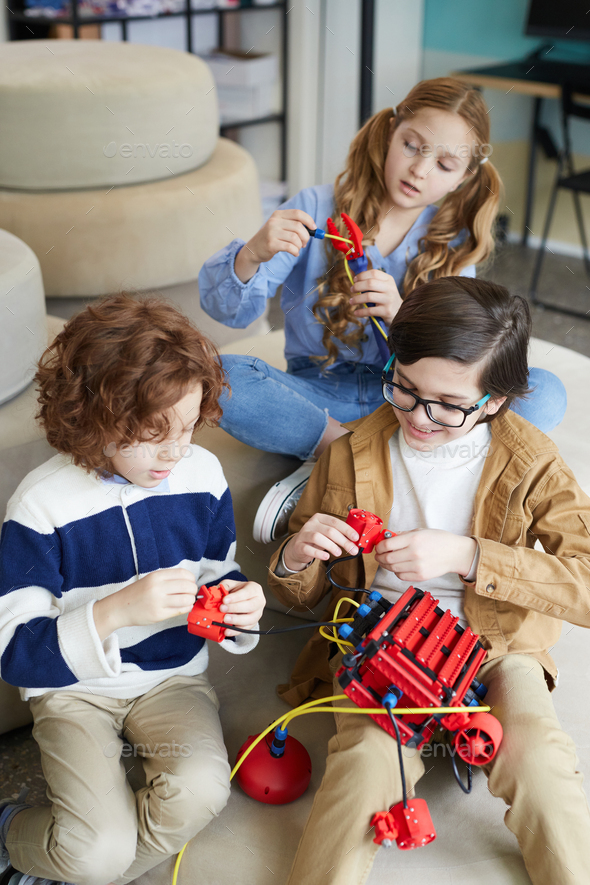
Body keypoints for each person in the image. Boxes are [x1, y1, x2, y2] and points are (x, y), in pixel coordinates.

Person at [266, 276, 590, 885]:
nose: (418, 416)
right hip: (382, 641)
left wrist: (470, 556)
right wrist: (296, 556)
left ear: (494, 400)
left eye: (447, 404)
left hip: (495, 646)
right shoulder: (354, 450)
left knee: (540, 763)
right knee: (364, 766)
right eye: (405, 389)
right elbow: (300, 589)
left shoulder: (532, 460)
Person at [198, 77, 567, 543]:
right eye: (411, 145)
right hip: (318, 393)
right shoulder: (315, 207)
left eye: (444, 164)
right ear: (390, 132)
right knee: (220, 375)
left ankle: (351, 465)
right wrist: (251, 253)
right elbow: (227, 311)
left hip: (412, 401)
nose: (418, 170)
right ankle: (351, 458)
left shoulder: (456, 242)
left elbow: (463, 355)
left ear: (465, 177)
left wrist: (402, 317)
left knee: (547, 392)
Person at [0, 294, 266, 885]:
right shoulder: (40, 507)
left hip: (172, 679)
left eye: (190, 428)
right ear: (89, 418)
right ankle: (12, 830)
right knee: (95, 851)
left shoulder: (200, 474)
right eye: (152, 434)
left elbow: (217, 573)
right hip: (74, 691)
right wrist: (116, 610)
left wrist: (241, 603)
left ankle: (77, 867)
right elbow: (17, 653)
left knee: (198, 793)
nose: (175, 452)